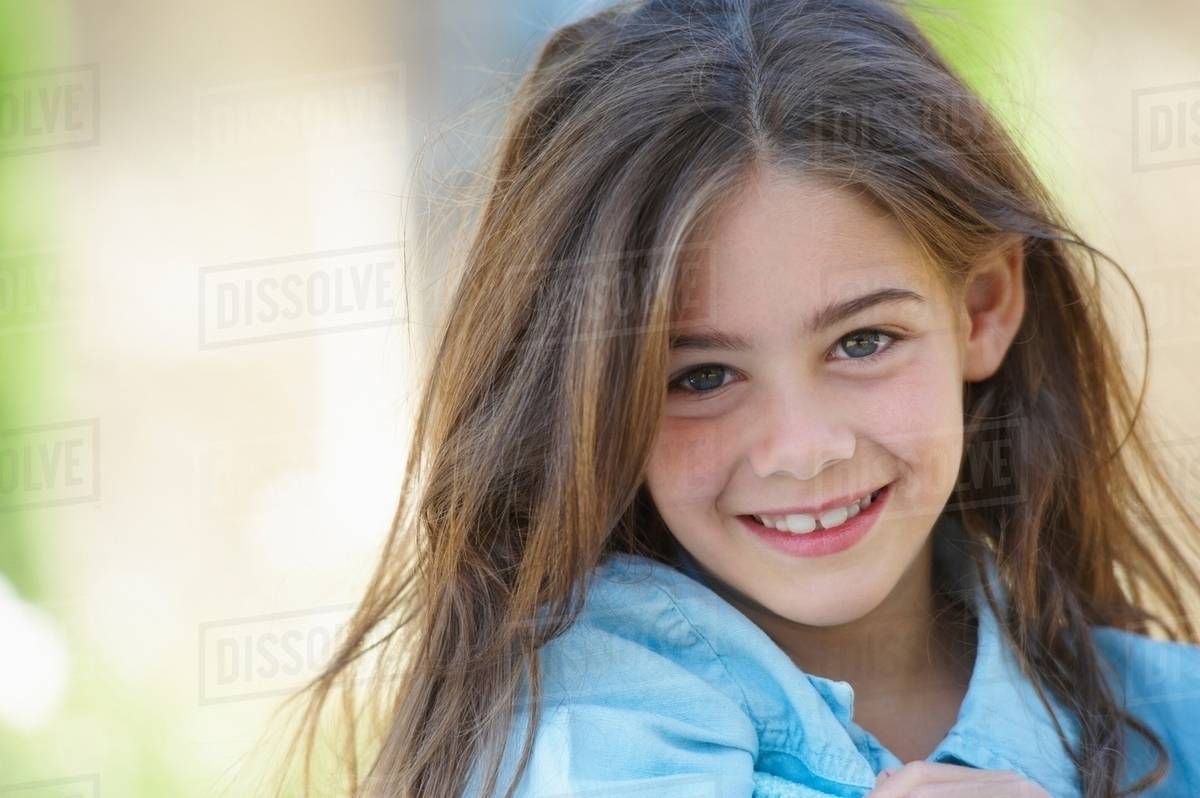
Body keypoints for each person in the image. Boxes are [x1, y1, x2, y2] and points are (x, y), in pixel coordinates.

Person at [268, 1, 1200, 796]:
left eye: (863, 341)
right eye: (700, 377)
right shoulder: (580, 741)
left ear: (984, 306)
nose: (800, 448)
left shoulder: (1172, 719)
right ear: (593, 398)